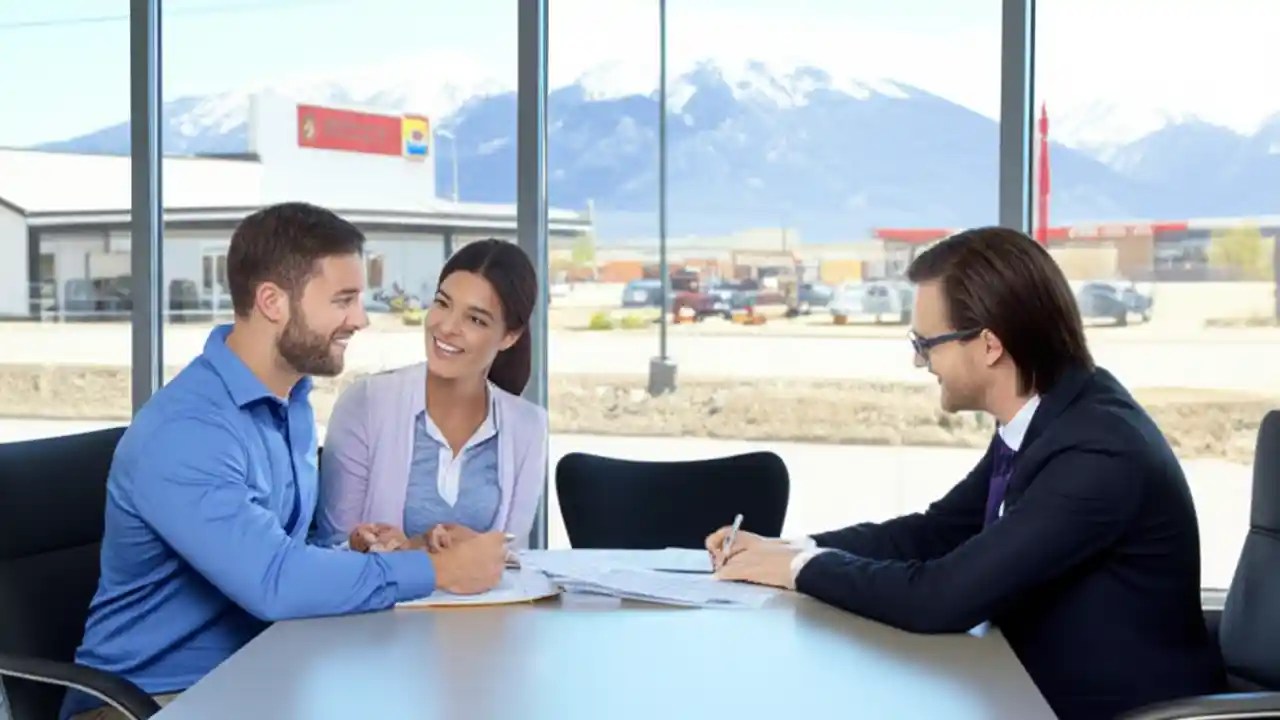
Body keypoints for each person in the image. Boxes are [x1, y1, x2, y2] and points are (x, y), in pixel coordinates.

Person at [706, 227, 1224, 720]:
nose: (918, 361)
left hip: (1109, 710)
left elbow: (943, 598)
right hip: (1024, 688)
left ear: (989, 346)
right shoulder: (1049, 416)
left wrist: (798, 568)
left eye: (926, 343)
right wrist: (790, 547)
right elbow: (935, 532)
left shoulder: (1098, 454)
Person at [62, 203, 508, 720]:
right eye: (343, 299)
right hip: (146, 704)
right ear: (272, 301)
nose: (360, 319)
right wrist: (435, 569)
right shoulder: (187, 431)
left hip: (258, 675)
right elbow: (275, 580)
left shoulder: (290, 404)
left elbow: (286, 550)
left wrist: (373, 552)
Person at [315, 238, 547, 554]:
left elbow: (510, 557)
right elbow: (332, 548)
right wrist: (411, 552)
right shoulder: (366, 403)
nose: (447, 326)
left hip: (486, 603)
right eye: (442, 303)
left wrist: (473, 551)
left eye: (476, 319)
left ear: (509, 336)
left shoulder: (528, 426)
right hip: (381, 603)